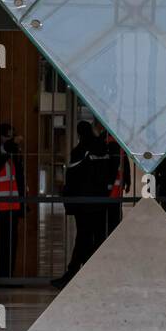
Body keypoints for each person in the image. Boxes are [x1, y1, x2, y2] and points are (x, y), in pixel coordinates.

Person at [52, 121, 107, 289]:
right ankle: (94, 274)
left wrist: (68, 202)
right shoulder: (102, 148)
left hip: (82, 204)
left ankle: (73, 274)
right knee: (96, 238)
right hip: (99, 202)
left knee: (83, 237)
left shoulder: (78, 151)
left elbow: (72, 180)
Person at [0, 122, 25, 278]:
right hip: (0, 207)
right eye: (7, 136)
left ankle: (9, 276)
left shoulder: (12, 153)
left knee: (12, 243)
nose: (10, 139)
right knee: (4, 244)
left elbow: (19, 179)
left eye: (11, 136)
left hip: (13, 206)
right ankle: (3, 276)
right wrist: (12, 144)